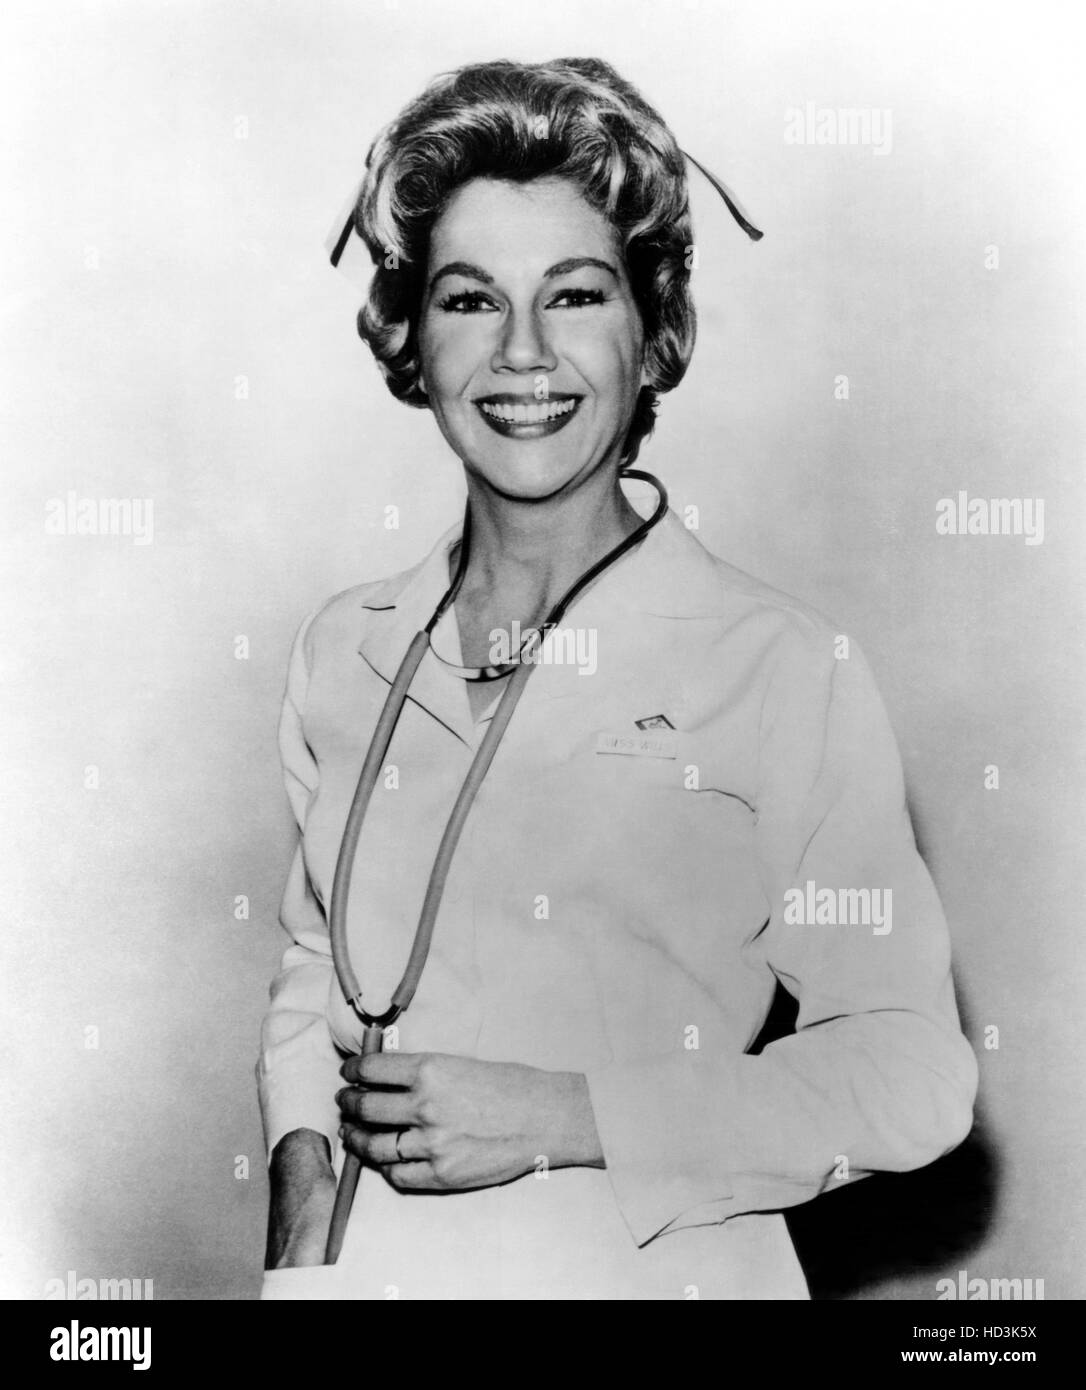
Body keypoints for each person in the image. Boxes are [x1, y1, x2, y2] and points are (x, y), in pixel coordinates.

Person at [257, 56, 977, 1300]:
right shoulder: (344, 647)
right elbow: (316, 966)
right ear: (412, 337)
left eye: (576, 295)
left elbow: (915, 1075)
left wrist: (569, 1115)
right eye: (470, 300)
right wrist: (300, 1184)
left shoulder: (778, 666)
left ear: (653, 332)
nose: (523, 352)